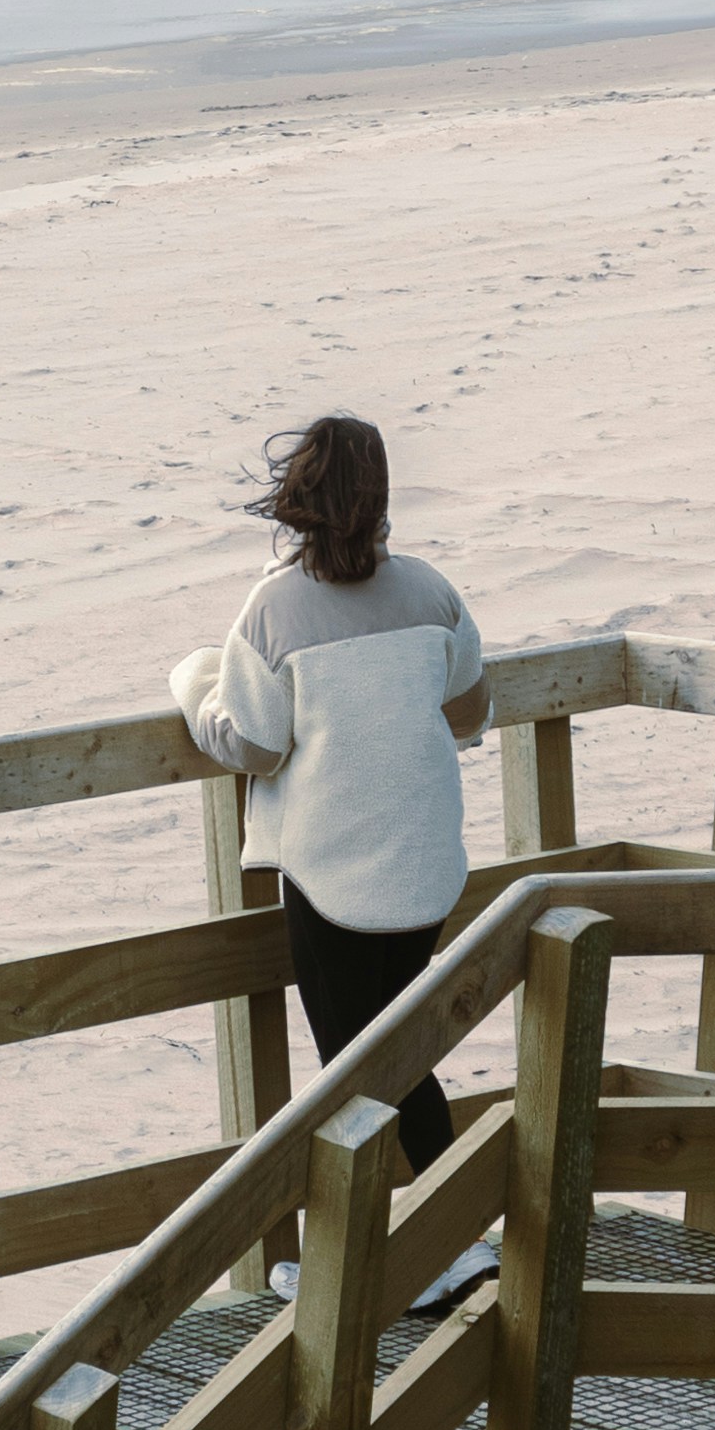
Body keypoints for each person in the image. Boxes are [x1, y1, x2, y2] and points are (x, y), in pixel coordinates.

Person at [169, 408, 489, 1205]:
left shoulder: (274, 609)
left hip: (331, 879)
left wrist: (195, 687)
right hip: (422, 872)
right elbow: (472, 712)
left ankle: (419, 1255)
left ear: (299, 498)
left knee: (356, 1078)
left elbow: (254, 746)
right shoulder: (432, 592)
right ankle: (431, 1245)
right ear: (379, 494)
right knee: (396, 1059)